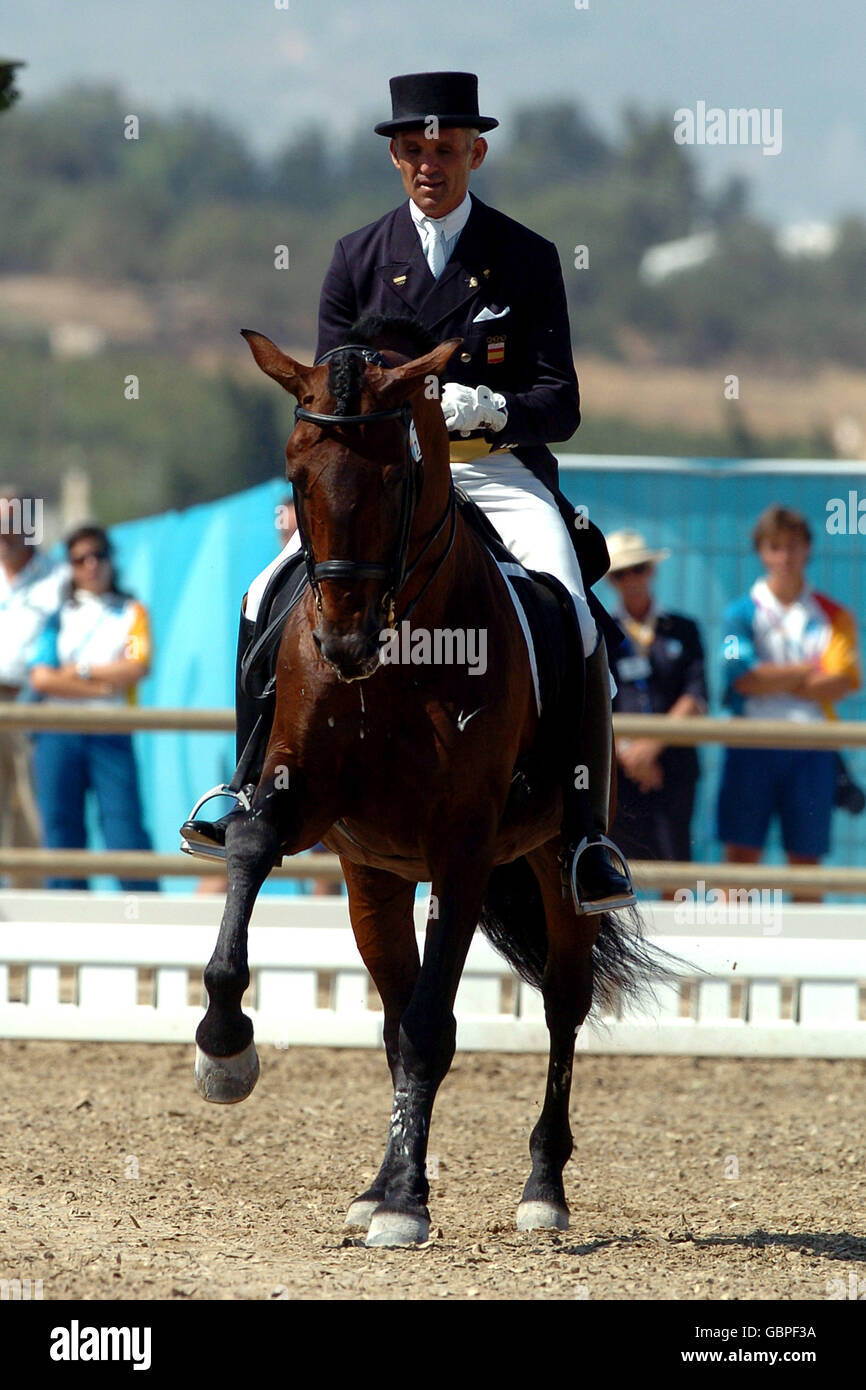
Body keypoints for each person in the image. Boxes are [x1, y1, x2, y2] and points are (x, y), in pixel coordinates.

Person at [181, 71, 634, 913]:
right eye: (416, 150)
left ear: (476, 152)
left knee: (571, 605)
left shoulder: (526, 257)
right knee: (258, 595)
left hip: (493, 469)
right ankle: (247, 786)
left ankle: (584, 833)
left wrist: (491, 409)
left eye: (447, 149)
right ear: (396, 156)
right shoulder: (358, 256)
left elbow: (561, 404)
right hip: (385, 477)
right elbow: (328, 394)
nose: (432, 163)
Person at [717, 504, 861, 900]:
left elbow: (843, 681)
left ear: (808, 550)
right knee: (741, 858)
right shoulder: (739, 613)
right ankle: (731, 952)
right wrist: (806, 671)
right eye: (775, 547)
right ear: (761, 552)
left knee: (806, 862)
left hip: (812, 748)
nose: (784, 557)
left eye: (793, 546)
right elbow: (741, 678)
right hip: (752, 745)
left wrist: (772, 676)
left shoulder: (835, 615)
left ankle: (806, 961)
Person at [28, 525, 157, 892]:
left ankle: (145, 919)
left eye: (98, 555)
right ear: (69, 567)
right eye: (80, 559)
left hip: (111, 731)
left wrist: (80, 672)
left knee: (124, 828)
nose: (91, 565)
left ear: (111, 560)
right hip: (58, 733)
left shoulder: (132, 611)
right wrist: (102, 684)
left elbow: (136, 667)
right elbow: (41, 678)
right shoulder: (57, 614)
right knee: (60, 829)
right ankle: (65, 928)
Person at [604, 530, 708, 877]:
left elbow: (696, 697)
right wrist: (630, 753)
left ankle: (681, 933)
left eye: (638, 569)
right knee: (614, 872)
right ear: (611, 581)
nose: (631, 579)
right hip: (616, 770)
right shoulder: (600, 631)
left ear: (652, 570)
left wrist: (648, 748)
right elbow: (595, 703)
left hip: (673, 767)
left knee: (676, 868)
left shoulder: (684, 629)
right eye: (621, 573)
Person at [0, 484, 68, 887]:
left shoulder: (58, 580)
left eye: (11, 521)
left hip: (31, 709)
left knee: (30, 819)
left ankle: (25, 939)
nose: (4, 531)